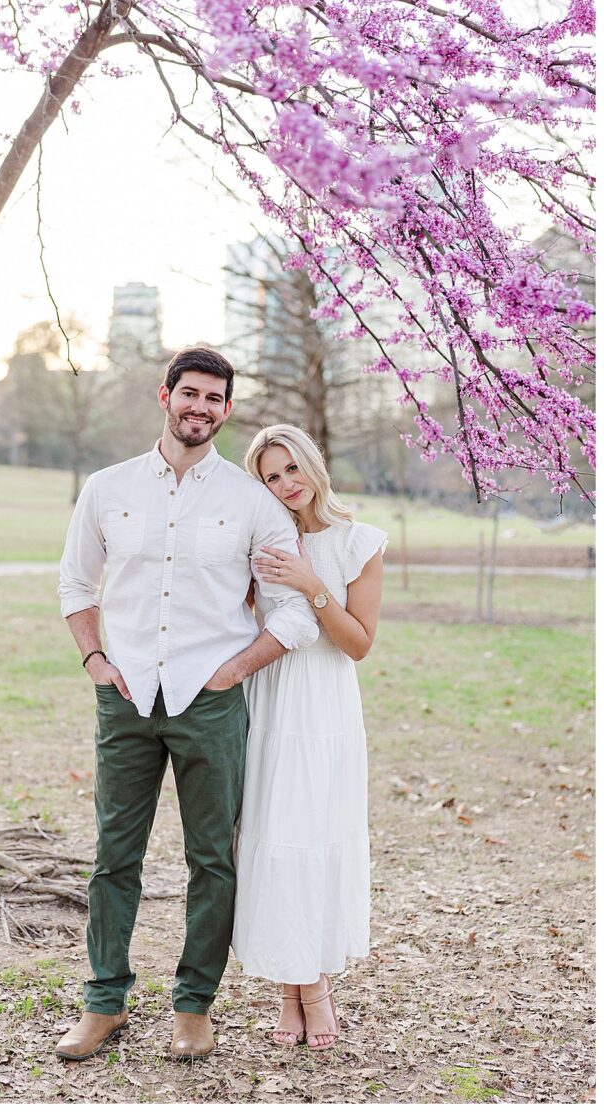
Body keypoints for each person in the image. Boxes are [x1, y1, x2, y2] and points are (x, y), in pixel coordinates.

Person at [54, 351, 318, 1062]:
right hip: (126, 698)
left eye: (214, 398)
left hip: (211, 704)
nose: (200, 407)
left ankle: (193, 1007)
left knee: (212, 860)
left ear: (227, 410)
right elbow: (76, 585)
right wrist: (95, 661)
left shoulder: (253, 501)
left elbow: (294, 612)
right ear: (165, 396)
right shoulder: (107, 489)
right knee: (114, 856)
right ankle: (104, 1002)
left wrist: (233, 671)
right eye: (189, 393)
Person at [231, 424, 387, 1050]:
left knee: (314, 834)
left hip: (324, 703)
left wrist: (311, 585)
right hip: (269, 697)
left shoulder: (359, 541)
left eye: (292, 468)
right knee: (273, 834)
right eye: (271, 477)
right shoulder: (263, 540)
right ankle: (292, 987)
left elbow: (359, 644)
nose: (285, 484)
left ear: (313, 465)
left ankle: (312, 986)